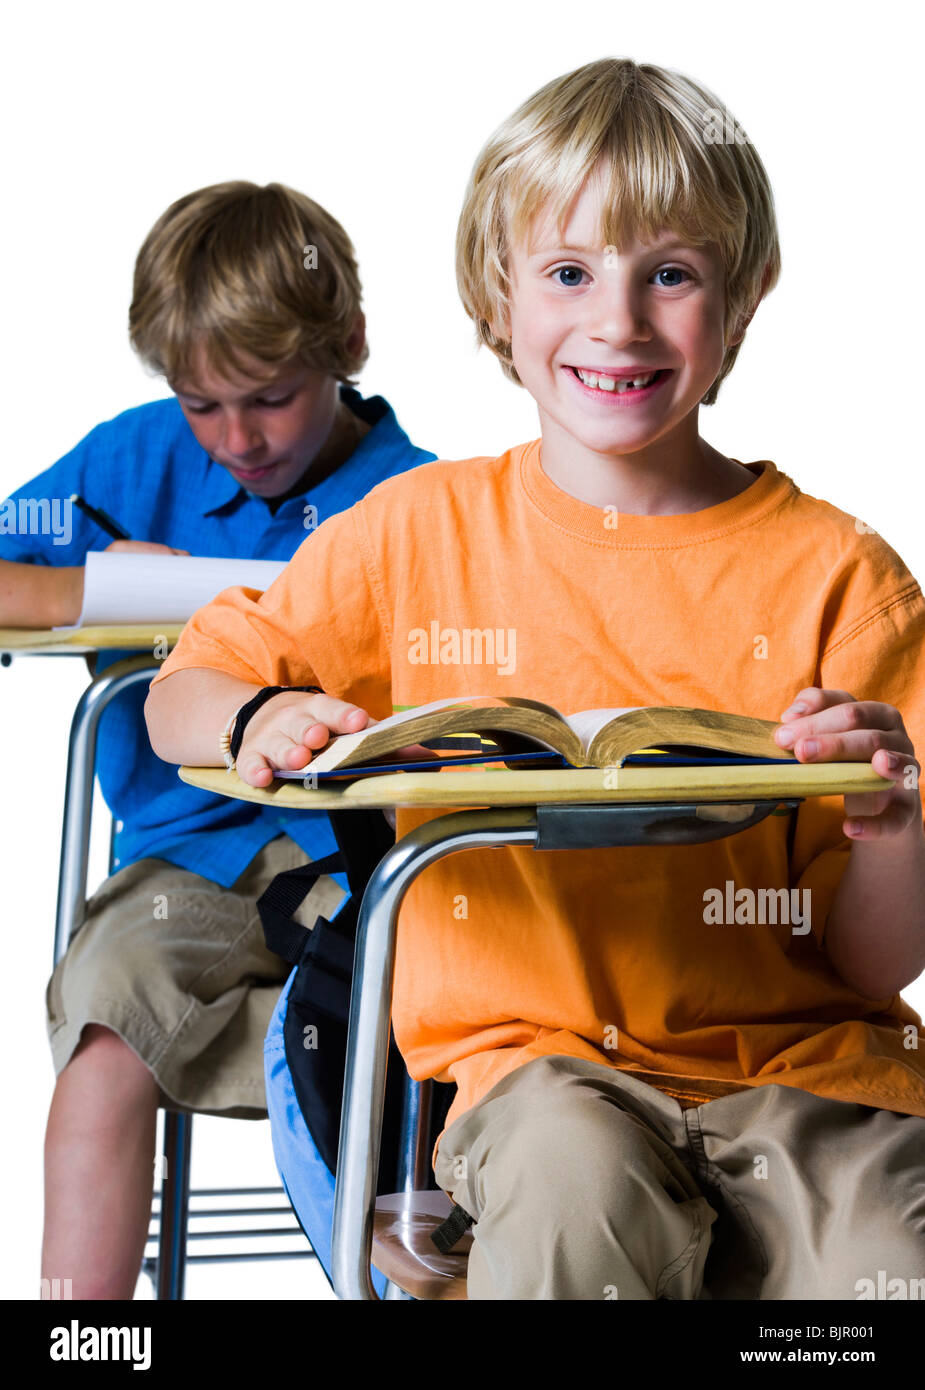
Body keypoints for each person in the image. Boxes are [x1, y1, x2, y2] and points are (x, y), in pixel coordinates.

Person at [144, 63, 925, 1300]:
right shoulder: (415, 534)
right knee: (572, 1200)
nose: (616, 321)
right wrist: (255, 712)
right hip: (534, 1070)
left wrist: (888, 819)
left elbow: (870, 964)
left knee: (884, 1265)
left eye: (668, 274)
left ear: (743, 295)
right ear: (495, 296)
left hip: (806, 1067)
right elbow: (189, 679)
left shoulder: (842, 576)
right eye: (568, 273)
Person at [0, 180, 435, 1298]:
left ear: (348, 344)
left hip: (363, 866)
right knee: (109, 1020)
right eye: (202, 404)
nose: (236, 439)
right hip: (186, 870)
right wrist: (113, 590)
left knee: (436, 1032)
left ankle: (406, 1249)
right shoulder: (130, 460)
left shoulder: (420, 500)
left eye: (271, 399)